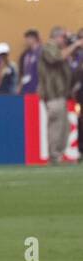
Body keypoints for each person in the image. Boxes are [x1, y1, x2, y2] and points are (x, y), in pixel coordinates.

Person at [39, 27, 83, 164]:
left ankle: (58, 155)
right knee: (56, 127)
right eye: (63, 38)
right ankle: (54, 156)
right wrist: (75, 45)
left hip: (61, 96)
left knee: (64, 127)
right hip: (53, 94)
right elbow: (57, 57)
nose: (65, 41)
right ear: (56, 37)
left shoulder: (61, 50)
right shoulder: (48, 48)